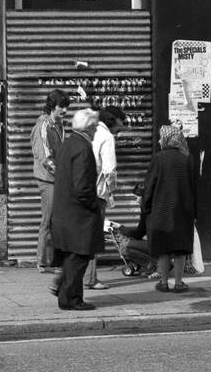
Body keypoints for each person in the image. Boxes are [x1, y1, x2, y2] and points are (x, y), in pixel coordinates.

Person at [49, 108, 104, 311]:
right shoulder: (83, 148)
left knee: (72, 258)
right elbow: (82, 187)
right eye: (95, 127)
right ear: (88, 127)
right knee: (79, 258)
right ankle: (71, 298)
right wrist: (94, 204)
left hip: (64, 212)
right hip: (78, 216)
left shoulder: (68, 144)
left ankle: (67, 294)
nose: (96, 130)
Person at [143, 124, 196, 293]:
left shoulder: (159, 158)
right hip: (183, 210)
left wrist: (146, 206)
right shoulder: (187, 157)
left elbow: (150, 185)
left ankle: (163, 282)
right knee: (180, 248)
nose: (159, 141)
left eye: (161, 137)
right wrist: (194, 211)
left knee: (164, 249)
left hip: (162, 209)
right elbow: (194, 186)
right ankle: (179, 283)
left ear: (166, 139)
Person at [83, 106, 127, 290]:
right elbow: (109, 170)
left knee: (83, 234)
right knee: (94, 236)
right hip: (98, 192)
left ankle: (80, 276)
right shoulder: (107, 136)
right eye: (121, 121)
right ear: (113, 119)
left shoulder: (90, 133)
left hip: (83, 189)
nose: (123, 125)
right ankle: (90, 278)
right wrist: (111, 191)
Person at [30, 89, 70, 273]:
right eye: (62, 106)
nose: (65, 110)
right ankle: (44, 262)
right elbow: (45, 158)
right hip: (49, 179)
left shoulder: (59, 125)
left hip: (57, 178)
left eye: (66, 107)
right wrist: (63, 175)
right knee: (48, 220)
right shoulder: (43, 126)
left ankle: (52, 260)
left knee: (56, 220)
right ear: (52, 106)